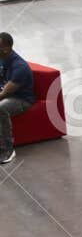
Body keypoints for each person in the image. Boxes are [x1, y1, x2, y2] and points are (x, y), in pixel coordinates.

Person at [0, 31, 34, 166]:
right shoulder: (2, 59)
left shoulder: (19, 67)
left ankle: (8, 149)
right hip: (6, 93)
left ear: (5, 49)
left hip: (21, 100)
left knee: (1, 108)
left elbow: (5, 94)